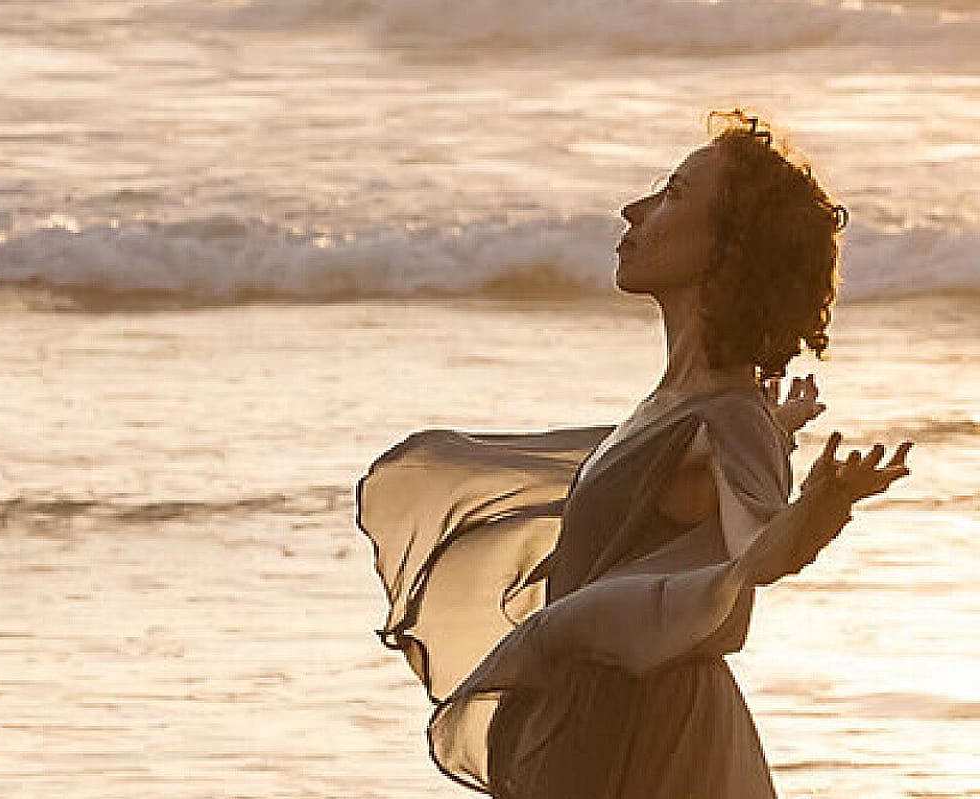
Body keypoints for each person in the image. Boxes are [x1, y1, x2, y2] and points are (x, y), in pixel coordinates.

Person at [355, 110, 913, 799]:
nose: (635, 209)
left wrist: (822, 504)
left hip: (641, 729)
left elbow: (757, 552)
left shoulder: (727, 414)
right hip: (598, 710)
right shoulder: (691, 407)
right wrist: (775, 432)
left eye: (673, 195)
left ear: (729, 248)